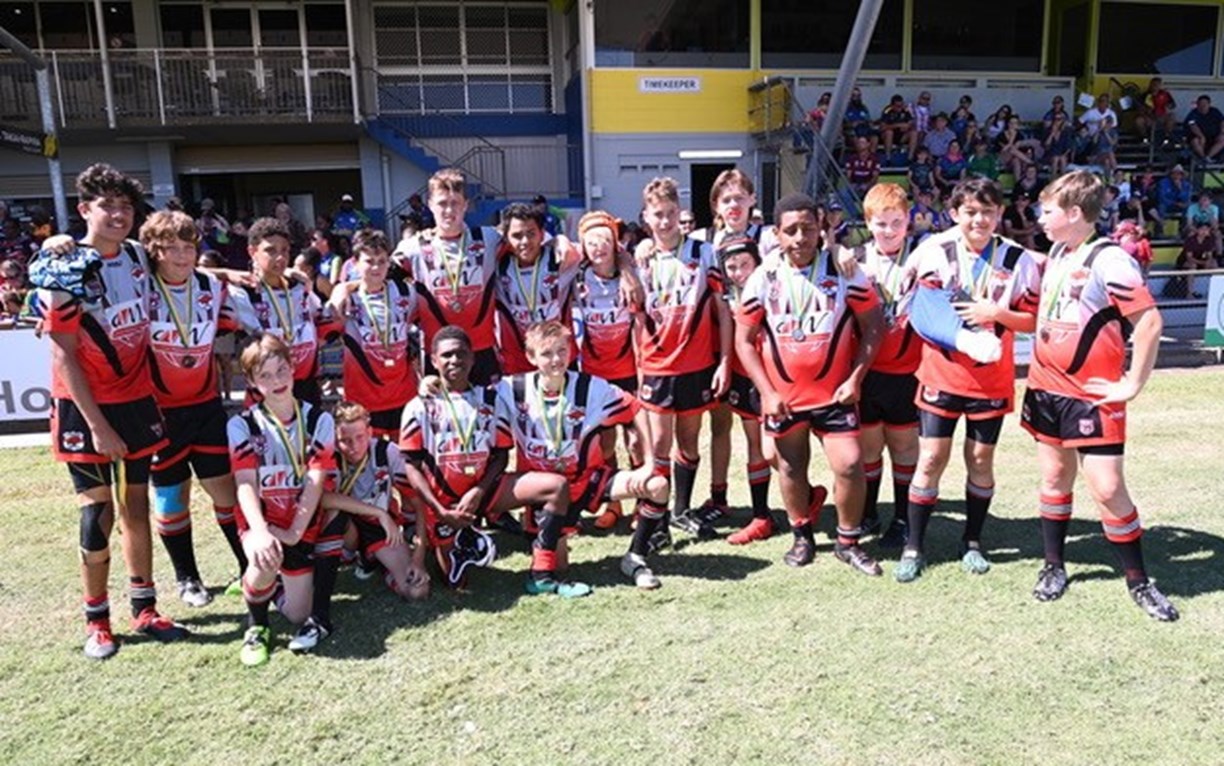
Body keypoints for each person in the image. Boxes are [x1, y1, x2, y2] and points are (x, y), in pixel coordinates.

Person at [36, 163, 188, 660]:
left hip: (136, 398)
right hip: (84, 409)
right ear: (85, 210)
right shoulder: (63, 265)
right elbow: (61, 351)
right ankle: (96, 620)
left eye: (125, 206)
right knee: (96, 514)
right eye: (107, 205)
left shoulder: (140, 257)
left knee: (137, 507)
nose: (118, 214)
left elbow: (188, 268)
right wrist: (98, 425)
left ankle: (144, 608)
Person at [1027, 170, 1178, 621]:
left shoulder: (1110, 260)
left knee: (1108, 488)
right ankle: (1054, 566)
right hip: (1045, 387)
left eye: (1047, 210)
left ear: (1075, 214)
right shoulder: (1058, 250)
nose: (1039, 217)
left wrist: (1132, 384)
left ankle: (1139, 581)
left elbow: (1149, 323)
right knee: (1054, 478)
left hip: (1090, 396)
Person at [895, 177, 1041, 583]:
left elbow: (1032, 320)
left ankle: (972, 541)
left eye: (989, 211)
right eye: (971, 211)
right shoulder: (935, 251)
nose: (980, 219)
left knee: (980, 459)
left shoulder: (1019, 260)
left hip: (991, 381)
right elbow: (923, 314)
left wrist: (997, 315)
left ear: (1000, 214)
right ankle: (914, 545)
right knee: (930, 459)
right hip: (942, 374)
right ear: (955, 213)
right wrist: (963, 337)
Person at [734, 192, 884, 574]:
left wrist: (855, 378)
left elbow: (873, 328)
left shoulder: (844, 270)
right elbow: (743, 341)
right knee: (790, 467)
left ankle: (847, 541)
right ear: (776, 234)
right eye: (791, 230)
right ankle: (803, 536)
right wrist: (767, 393)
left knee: (851, 465)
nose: (800, 237)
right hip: (785, 398)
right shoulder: (763, 277)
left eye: (808, 228)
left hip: (835, 395)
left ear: (822, 228)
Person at [500, 321, 671, 592]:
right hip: (546, 492)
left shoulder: (593, 388)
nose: (556, 359)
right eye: (546, 353)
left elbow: (636, 409)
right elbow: (472, 399)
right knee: (560, 568)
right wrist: (430, 383)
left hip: (588, 481)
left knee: (658, 485)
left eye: (561, 350)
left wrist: (649, 462)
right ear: (531, 357)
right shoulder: (511, 389)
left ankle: (635, 556)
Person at [401, 327, 567, 590]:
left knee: (555, 486)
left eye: (461, 354)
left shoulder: (490, 398)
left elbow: (501, 454)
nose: (454, 360)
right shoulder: (419, 406)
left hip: (486, 492)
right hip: (444, 502)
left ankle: (542, 567)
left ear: (472, 358)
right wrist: (440, 510)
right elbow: (410, 465)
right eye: (446, 355)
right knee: (456, 583)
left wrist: (478, 491)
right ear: (433, 360)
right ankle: (455, 537)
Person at [139, 211, 249, 607]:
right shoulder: (141, 288)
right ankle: (188, 578)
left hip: (205, 408)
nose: (182, 257)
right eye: (171, 249)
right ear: (153, 251)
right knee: (171, 499)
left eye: (189, 248)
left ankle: (247, 566)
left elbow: (247, 309)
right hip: (159, 413)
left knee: (226, 493)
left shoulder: (211, 286)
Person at [633, 176, 732, 544]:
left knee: (689, 442)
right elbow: (634, 318)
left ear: (680, 213)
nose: (664, 221)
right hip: (657, 367)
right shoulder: (637, 260)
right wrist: (638, 366)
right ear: (646, 217)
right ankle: (655, 522)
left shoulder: (704, 254)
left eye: (671, 213)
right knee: (658, 447)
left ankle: (680, 511)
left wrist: (724, 361)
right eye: (657, 215)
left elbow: (722, 310)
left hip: (696, 365)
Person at [227, 335, 336, 665]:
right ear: (251, 382)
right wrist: (260, 531)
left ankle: (266, 587)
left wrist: (295, 532)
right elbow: (245, 483)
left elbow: (316, 483)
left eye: (282, 370)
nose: (276, 381)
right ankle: (256, 625)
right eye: (265, 375)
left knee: (297, 614)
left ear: (294, 368)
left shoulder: (319, 420)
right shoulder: (241, 424)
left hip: (300, 523)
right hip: (262, 520)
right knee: (264, 557)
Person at [690, 169, 778, 525]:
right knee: (719, 425)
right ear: (715, 205)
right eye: (726, 199)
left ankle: (774, 503)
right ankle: (719, 497)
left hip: (758, 346)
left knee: (758, 431)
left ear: (752, 200)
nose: (734, 205)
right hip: (714, 344)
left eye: (740, 198)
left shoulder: (769, 237)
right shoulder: (701, 239)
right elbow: (657, 247)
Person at [844, 184, 921, 549]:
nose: (889, 231)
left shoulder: (925, 256)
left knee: (904, 447)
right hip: (868, 369)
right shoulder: (854, 259)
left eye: (896, 222)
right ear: (867, 223)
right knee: (870, 447)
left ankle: (904, 518)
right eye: (880, 223)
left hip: (908, 370)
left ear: (909, 221)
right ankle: (869, 511)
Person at [393, 168, 505, 386]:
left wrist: (560, 241)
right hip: (439, 354)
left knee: (487, 416)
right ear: (430, 205)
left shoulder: (489, 239)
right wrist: (343, 289)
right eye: (442, 203)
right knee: (442, 418)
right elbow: (375, 277)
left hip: (482, 350)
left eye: (455, 203)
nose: (449, 211)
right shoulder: (413, 247)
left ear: (465, 205)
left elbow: (532, 245)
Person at [573, 211, 643, 530]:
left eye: (604, 240)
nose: (598, 247)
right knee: (604, 444)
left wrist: (628, 266)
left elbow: (641, 327)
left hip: (628, 370)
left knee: (637, 441)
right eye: (591, 242)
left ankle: (643, 502)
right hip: (594, 373)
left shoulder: (633, 275)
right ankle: (612, 503)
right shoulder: (575, 278)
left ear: (615, 243)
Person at [717, 234, 786, 544]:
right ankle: (761, 515)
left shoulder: (772, 288)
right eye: (731, 266)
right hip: (743, 379)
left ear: (757, 263)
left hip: (772, 378)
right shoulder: (725, 295)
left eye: (745, 264)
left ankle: (807, 495)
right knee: (754, 446)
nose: (739, 272)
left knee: (775, 450)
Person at [325, 229, 420, 439]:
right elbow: (325, 334)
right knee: (371, 462)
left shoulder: (405, 293)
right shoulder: (346, 301)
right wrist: (341, 289)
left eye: (382, 260)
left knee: (406, 461)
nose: (376, 267)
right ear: (355, 263)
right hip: (364, 399)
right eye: (369, 261)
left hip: (403, 395)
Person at [226, 217, 326, 405]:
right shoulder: (240, 293)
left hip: (306, 388)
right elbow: (195, 272)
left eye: (285, 250)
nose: (280, 257)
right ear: (252, 252)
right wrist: (225, 273)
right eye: (270, 251)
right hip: (266, 393)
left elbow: (320, 317)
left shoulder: (300, 286)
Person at [493, 202, 580, 376]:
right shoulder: (495, 264)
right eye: (517, 235)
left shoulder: (562, 258)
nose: (525, 241)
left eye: (531, 233)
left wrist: (626, 263)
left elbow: (605, 250)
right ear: (506, 238)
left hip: (560, 359)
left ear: (542, 234)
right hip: (517, 361)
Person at [1177, 220, 1219, 298]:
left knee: (1214, 263)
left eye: (1206, 229)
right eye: (1202, 229)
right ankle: (1189, 293)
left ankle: (1217, 290)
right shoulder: (1190, 240)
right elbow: (1189, 258)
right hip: (1186, 262)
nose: (1204, 231)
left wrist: (1208, 262)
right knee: (1193, 266)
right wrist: (1203, 263)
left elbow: (1209, 255)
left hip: (1201, 261)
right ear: (1197, 230)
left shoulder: (1209, 240)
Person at [1184, 95, 1224, 161]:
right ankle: (1203, 157)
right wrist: (1201, 136)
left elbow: (1222, 121)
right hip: (1198, 136)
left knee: (1223, 139)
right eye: (1200, 104)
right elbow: (1192, 125)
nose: (1202, 106)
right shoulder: (1193, 113)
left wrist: (1222, 132)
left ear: (1209, 104)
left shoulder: (1215, 111)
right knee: (1195, 141)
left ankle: (1208, 157)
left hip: (1213, 136)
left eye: (1205, 104)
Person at [878, 94, 915, 161]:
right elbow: (882, 127)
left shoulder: (905, 110)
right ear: (892, 105)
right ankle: (888, 157)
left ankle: (910, 158)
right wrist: (897, 125)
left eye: (901, 105)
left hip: (901, 135)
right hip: (888, 136)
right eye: (898, 106)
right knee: (889, 132)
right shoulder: (887, 111)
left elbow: (911, 123)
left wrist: (907, 126)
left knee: (914, 133)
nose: (900, 108)